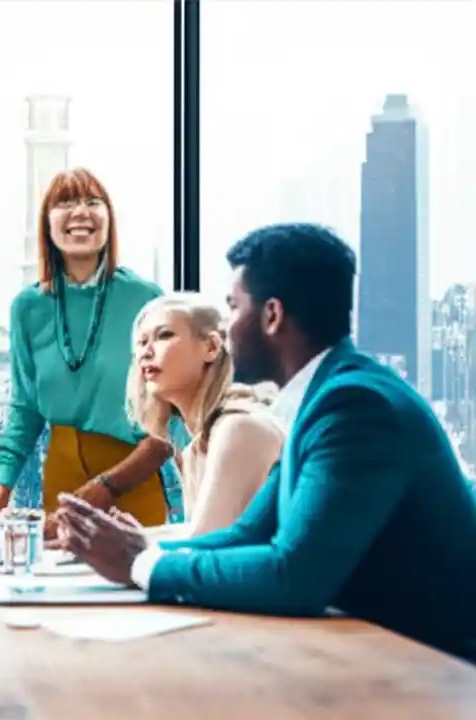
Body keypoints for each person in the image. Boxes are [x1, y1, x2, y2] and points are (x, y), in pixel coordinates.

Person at [55, 223, 476, 663]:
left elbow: (295, 576)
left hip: (434, 668)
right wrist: (137, 548)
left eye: (234, 308)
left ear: (272, 316)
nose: (229, 329)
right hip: (373, 649)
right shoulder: (321, 398)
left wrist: (141, 565)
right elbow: (248, 533)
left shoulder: (355, 407)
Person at [0, 167, 172, 529]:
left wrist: (111, 484)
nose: (80, 212)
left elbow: (172, 414)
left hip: (133, 479)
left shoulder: (146, 299)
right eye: (66, 203)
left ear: (109, 219)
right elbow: (24, 413)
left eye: (92, 202)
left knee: (133, 580)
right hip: (62, 481)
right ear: (46, 224)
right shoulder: (28, 307)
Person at [127, 293, 281, 537]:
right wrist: (140, 538)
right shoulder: (195, 450)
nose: (146, 352)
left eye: (164, 335)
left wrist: (137, 545)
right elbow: (202, 538)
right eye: (141, 342)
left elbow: (206, 552)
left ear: (211, 347)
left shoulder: (239, 428)